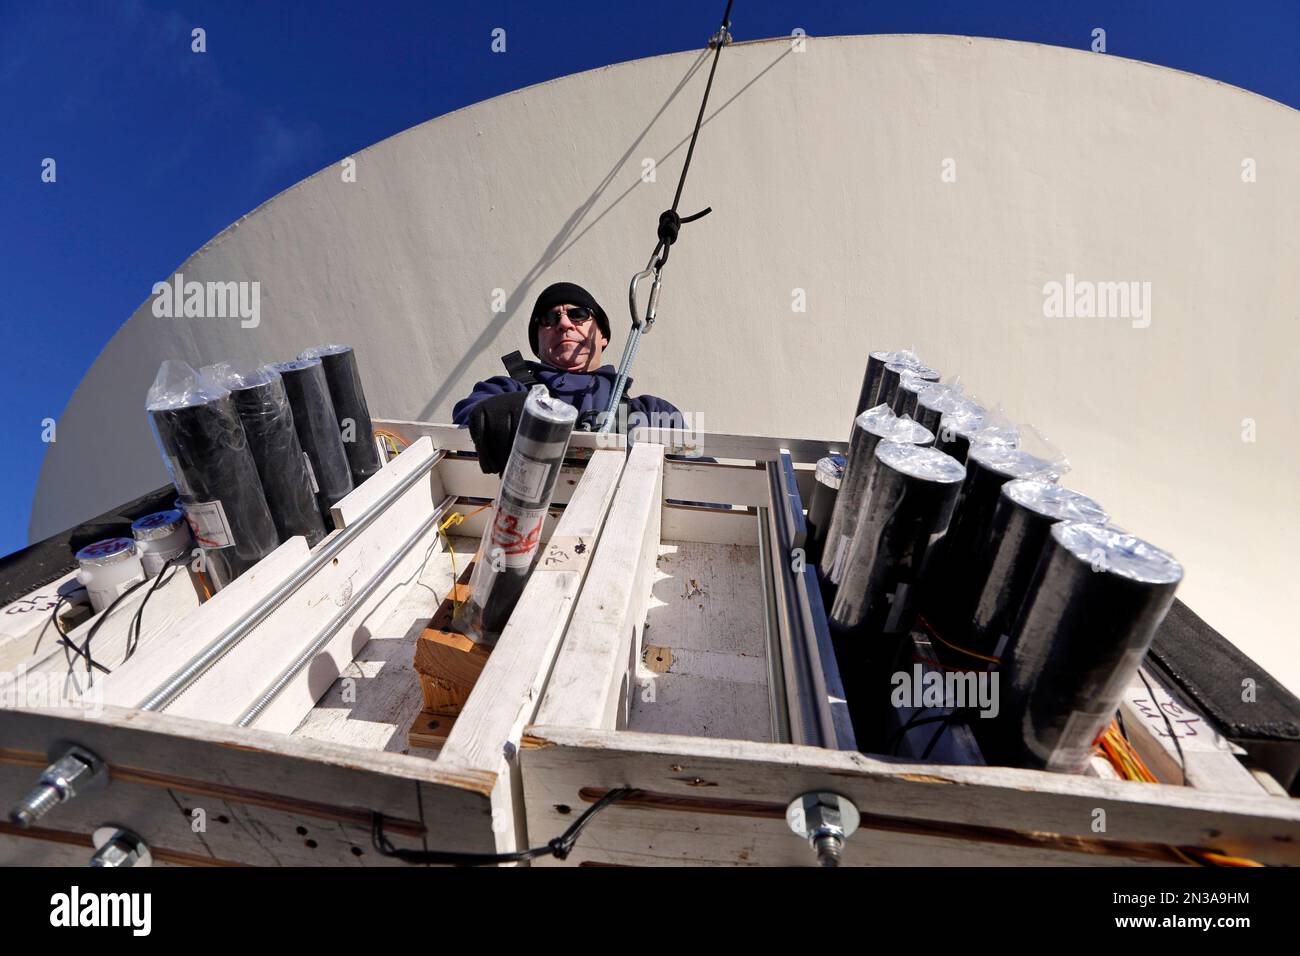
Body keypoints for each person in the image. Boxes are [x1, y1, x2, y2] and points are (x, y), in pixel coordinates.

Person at [454, 281, 684, 474]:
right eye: (548, 318)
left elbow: (699, 477)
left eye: (578, 314)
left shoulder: (652, 412)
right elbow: (469, 415)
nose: (564, 323)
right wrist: (501, 413)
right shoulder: (506, 390)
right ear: (537, 345)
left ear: (602, 335)